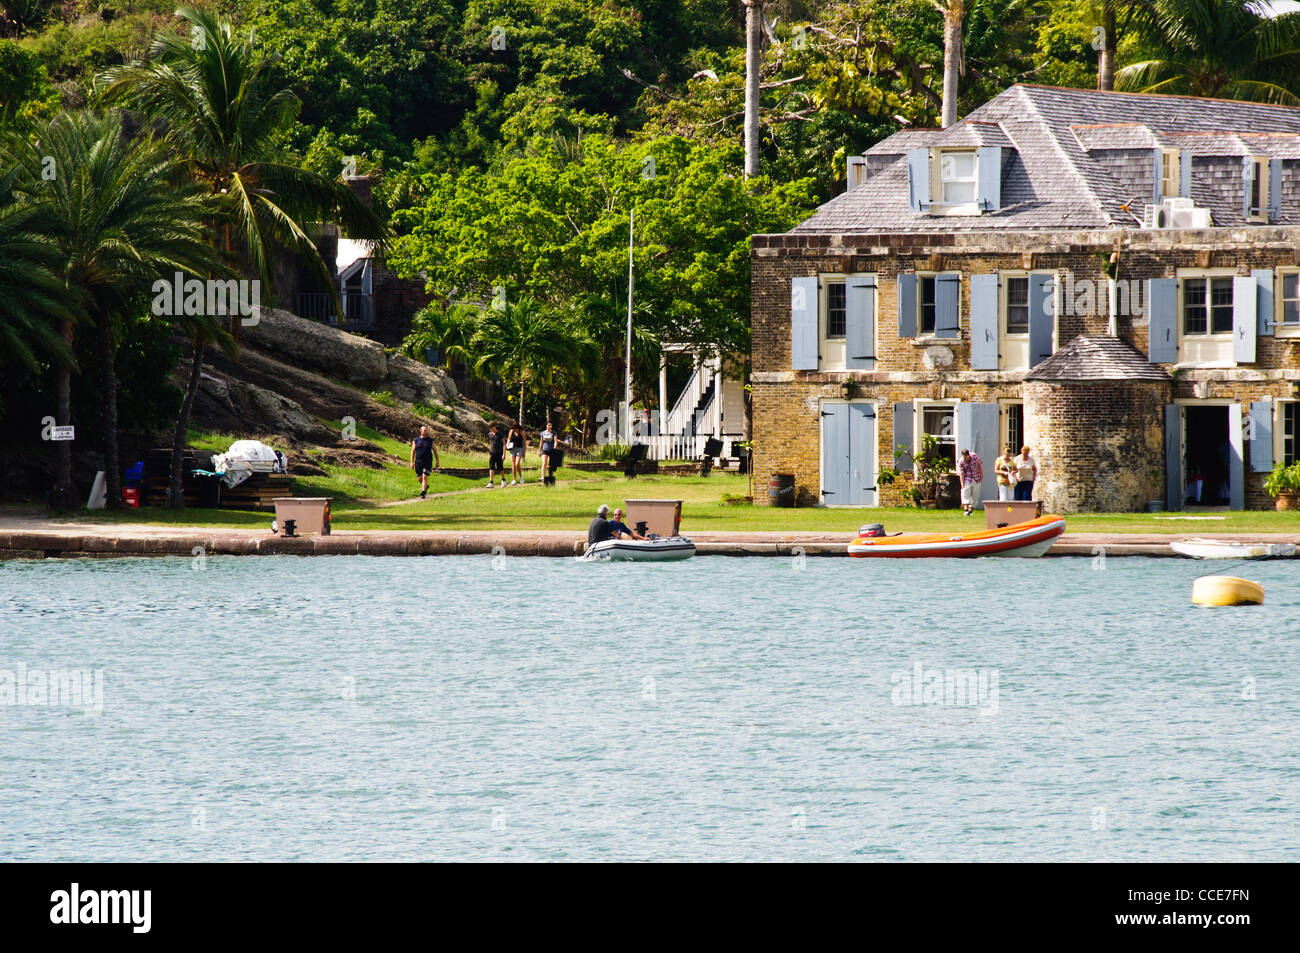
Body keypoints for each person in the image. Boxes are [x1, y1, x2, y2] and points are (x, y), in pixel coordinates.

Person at [409, 425, 440, 499]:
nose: (426, 431)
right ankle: (426, 486)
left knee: (425, 476)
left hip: (428, 462)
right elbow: (413, 451)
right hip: (418, 461)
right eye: (425, 430)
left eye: (427, 430)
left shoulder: (430, 441)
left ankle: (423, 493)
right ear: (421, 431)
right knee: (419, 478)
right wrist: (411, 462)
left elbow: (435, 451)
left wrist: (437, 461)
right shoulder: (416, 440)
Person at [958, 447, 984, 516]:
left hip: (976, 477)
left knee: (975, 496)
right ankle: (966, 510)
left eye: (966, 458)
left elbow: (980, 465)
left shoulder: (974, 456)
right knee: (965, 493)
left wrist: (981, 476)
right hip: (967, 478)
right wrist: (962, 484)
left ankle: (970, 511)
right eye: (964, 458)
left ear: (968, 455)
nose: (965, 459)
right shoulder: (961, 461)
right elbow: (961, 474)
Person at [486, 423, 505, 488]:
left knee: (500, 467)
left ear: (495, 427)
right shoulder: (489, 434)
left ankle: (503, 480)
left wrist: (504, 454)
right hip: (492, 453)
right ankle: (491, 482)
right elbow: (491, 442)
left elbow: (504, 444)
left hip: (499, 453)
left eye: (492, 428)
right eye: (490, 429)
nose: (491, 430)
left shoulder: (500, 434)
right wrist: (490, 450)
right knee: (491, 467)